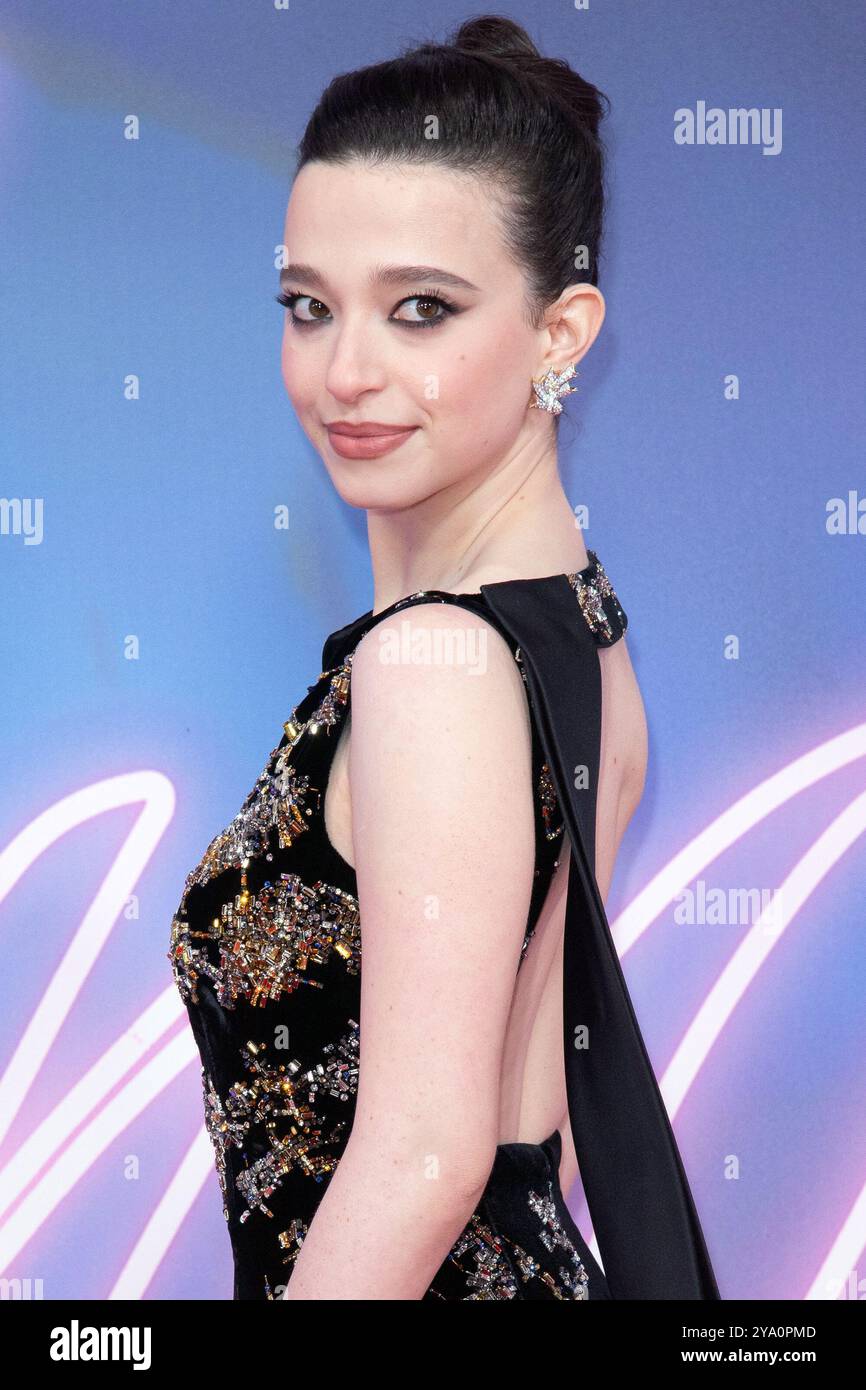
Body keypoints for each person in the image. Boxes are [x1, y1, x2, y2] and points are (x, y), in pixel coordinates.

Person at [168, 13, 720, 1300]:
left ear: (559, 332)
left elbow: (425, 1155)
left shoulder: (433, 667)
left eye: (420, 309)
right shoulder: (577, 626)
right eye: (308, 306)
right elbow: (531, 1115)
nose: (344, 371)